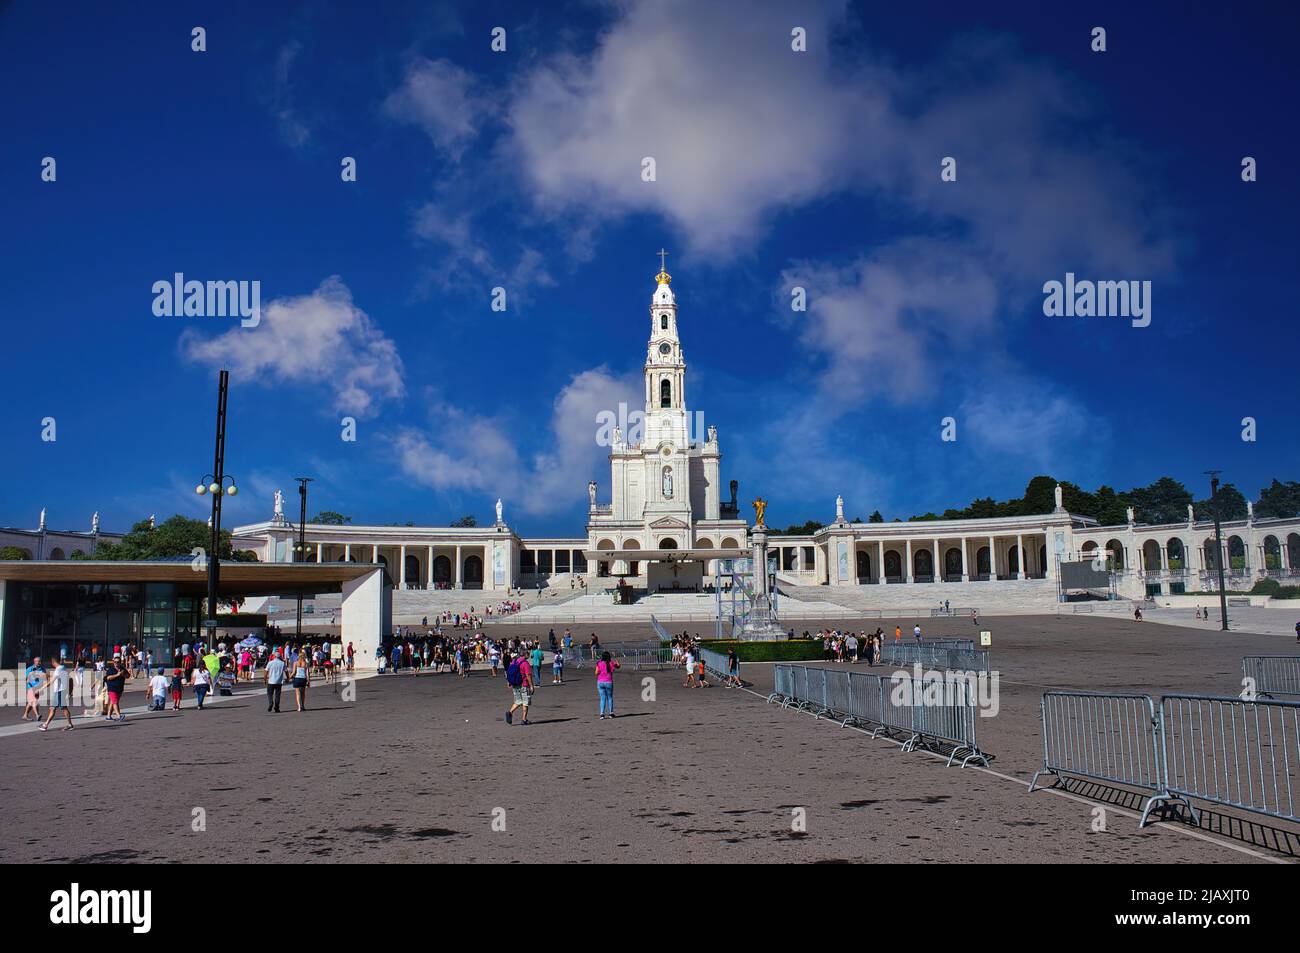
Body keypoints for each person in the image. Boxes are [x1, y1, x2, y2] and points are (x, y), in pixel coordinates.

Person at [39, 659, 76, 731]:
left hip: (59, 691)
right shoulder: (63, 668)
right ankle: (46, 724)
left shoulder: (58, 669)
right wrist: (70, 691)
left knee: (61, 708)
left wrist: (40, 689)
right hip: (61, 691)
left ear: (53, 662)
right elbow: (69, 679)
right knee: (54, 708)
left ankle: (46, 725)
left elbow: (51, 681)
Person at [504, 651, 534, 725]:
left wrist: (509, 682)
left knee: (518, 701)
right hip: (524, 684)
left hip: (515, 684)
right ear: (525, 655)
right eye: (528, 653)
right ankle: (524, 719)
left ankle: (510, 712)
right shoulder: (525, 663)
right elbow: (528, 675)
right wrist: (531, 686)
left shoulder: (514, 662)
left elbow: (509, 672)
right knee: (525, 702)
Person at [595, 651, 619, 718]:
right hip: (608, 682)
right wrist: (616, 658)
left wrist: (600, 671)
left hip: (600, 682)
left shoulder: (599, 663)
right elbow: (618, 666)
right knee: (610, 698)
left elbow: (596, 673)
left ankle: (602, 714)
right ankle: (611, 713)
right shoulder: (611, 663)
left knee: (602, 699)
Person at [104, 657, 129, 721]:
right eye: (115, 662)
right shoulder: (111, 670)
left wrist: (124, 674)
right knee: (115, 702)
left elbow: (128, 676)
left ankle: (108, 716)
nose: (116, 663)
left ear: (120, 662)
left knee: (113, 702)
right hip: (112, 688)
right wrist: (117, 675)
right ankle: (119, 716)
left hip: (119, 689)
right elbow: (108, 678)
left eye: (118, 662)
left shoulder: (123, 669)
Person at [23, 656, 45, 721]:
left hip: (38, 688)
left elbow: (43, 679)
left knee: (30, 702)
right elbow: (26, 679)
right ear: (34, 662)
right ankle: (37, 715)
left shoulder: (43, 669)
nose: (39, 662)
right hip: (31, 688)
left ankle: (25, 715)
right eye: (37, 661)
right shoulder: (29, 669)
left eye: (40, 661)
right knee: (35, 702)